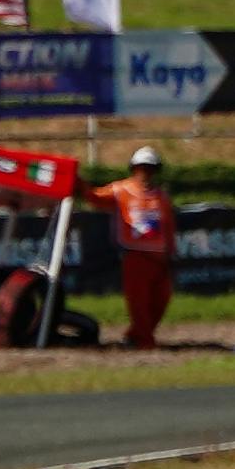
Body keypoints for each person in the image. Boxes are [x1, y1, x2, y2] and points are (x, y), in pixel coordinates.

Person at [95, 144, 176, 349]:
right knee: (138, 302)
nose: (145, 172)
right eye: (141, 167)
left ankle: (135, 334)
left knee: (162, 299)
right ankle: (144, 341)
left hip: (159, 258)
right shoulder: (120, 190)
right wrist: (78, 186)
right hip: (135, 256)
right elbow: (95, 198)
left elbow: (168, 225)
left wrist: (171, 251)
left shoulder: (161, 197)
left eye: (150, 168)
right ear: (133, 168)